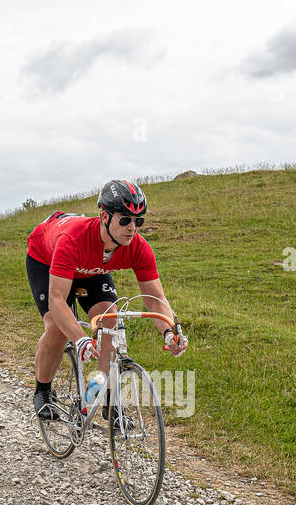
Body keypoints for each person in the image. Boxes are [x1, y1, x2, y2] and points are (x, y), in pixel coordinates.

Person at [26, 179, 188, 421]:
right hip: (46, 259)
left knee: (108, 320)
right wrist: (80, 339)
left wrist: (170, 331)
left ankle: (111, 402)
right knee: (58, 328)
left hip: (92, 269)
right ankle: (43, 391)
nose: (132, 228)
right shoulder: (73, 239)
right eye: (125, 220)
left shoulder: (138, 248)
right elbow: (57, 300)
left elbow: (155, 299)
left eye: (138, 221)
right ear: (105, 217)